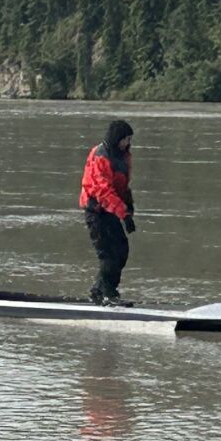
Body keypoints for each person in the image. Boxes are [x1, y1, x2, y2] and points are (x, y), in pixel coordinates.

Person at [79, 119, 135, 305]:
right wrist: (123, 214)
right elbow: (103, 191)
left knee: (122, 250)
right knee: (109, 255)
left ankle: (100, 290)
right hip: (96, 212)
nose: (128, 143)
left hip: (111, 210)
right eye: (125, 139)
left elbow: (123, 186)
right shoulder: (100, 156)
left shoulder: (123, 156)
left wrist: (129, 205)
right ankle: (107, 294)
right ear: (117, 138)